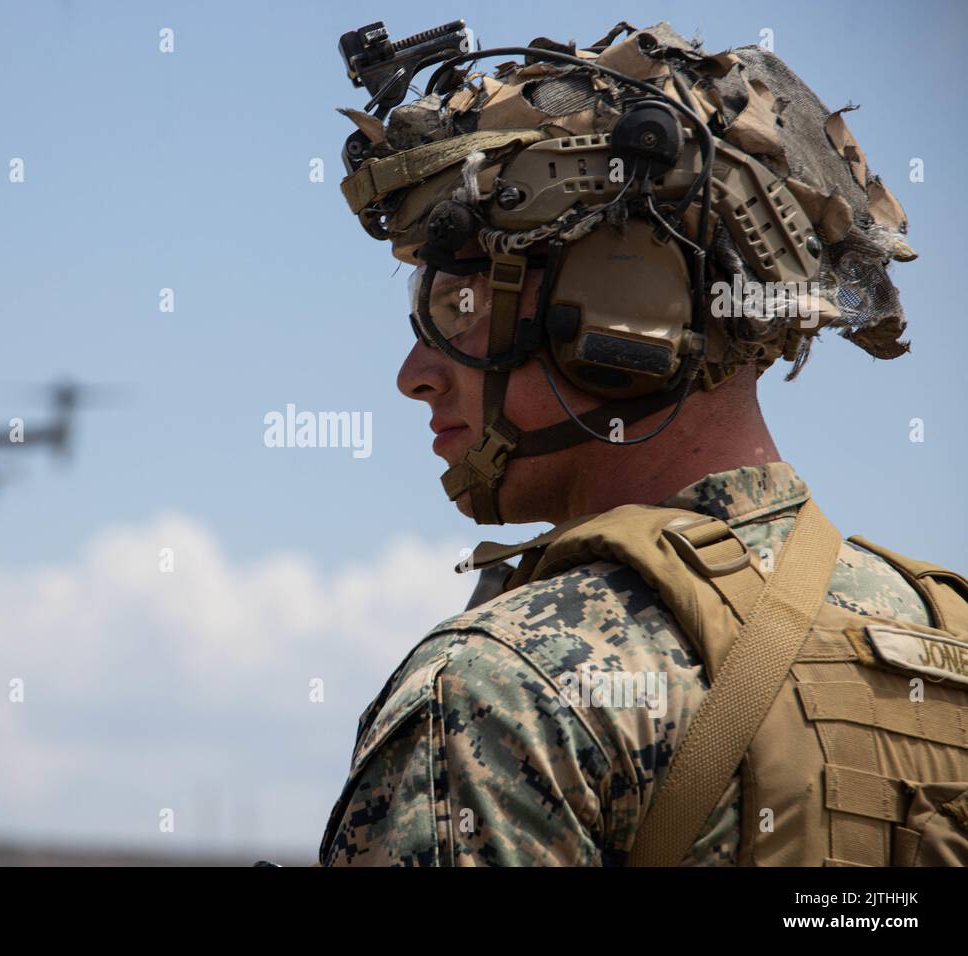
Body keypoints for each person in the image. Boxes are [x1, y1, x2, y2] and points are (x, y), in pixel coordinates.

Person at [319, 20, 968, 866]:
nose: (415, 373)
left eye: (460, 308)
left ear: (623, 311)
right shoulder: (948, 646)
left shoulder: (505, 691)